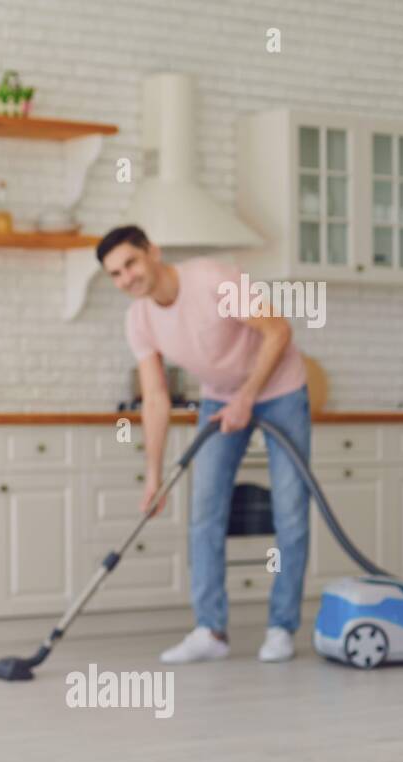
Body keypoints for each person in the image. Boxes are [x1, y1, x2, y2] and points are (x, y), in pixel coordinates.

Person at [97, 225, 311, 664]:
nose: (127, 279)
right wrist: (154, 476)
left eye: (131, 263)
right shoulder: (139, 318)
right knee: (205, 511)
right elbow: (155, 397)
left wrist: (248, 397)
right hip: (220, 398)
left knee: (290, 510)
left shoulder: (212, 281)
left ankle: (281, 627)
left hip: (280, 389)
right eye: (115, 274)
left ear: (153, 252)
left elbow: (277, 331)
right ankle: (210, 631)